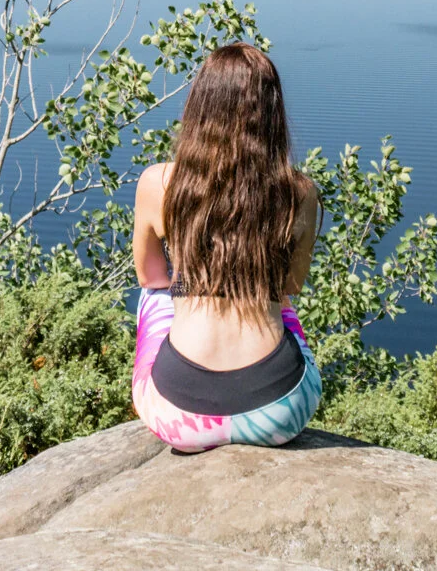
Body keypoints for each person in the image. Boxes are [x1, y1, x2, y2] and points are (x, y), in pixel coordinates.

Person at [130, 42, 322, 453]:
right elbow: (289, 286)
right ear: (272, 114)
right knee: (282, 303)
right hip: (282, 411)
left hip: (177, 415)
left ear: (200, 107)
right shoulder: (301, 193)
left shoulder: (158, 183)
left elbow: (150, 277)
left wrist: (191, 284)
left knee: (155, 295)